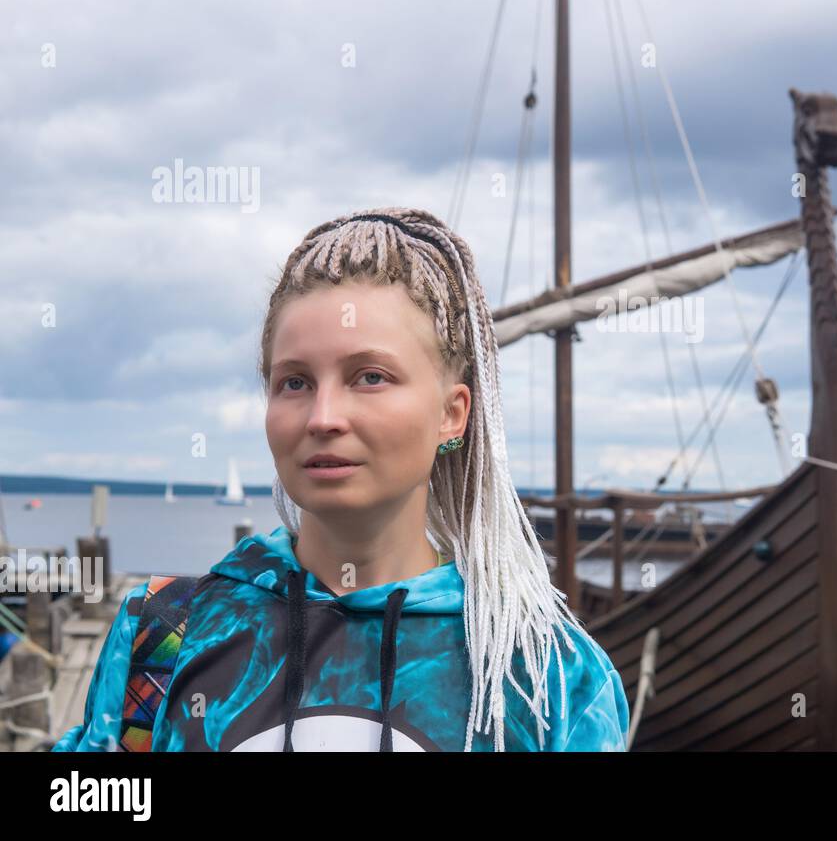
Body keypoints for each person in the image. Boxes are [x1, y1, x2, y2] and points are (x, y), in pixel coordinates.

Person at [52, 207, 628, 752]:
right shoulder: (164, 636)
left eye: (370, 376)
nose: (324, 417)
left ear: (453, 414)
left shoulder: (544, 677)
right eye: (295, 382)